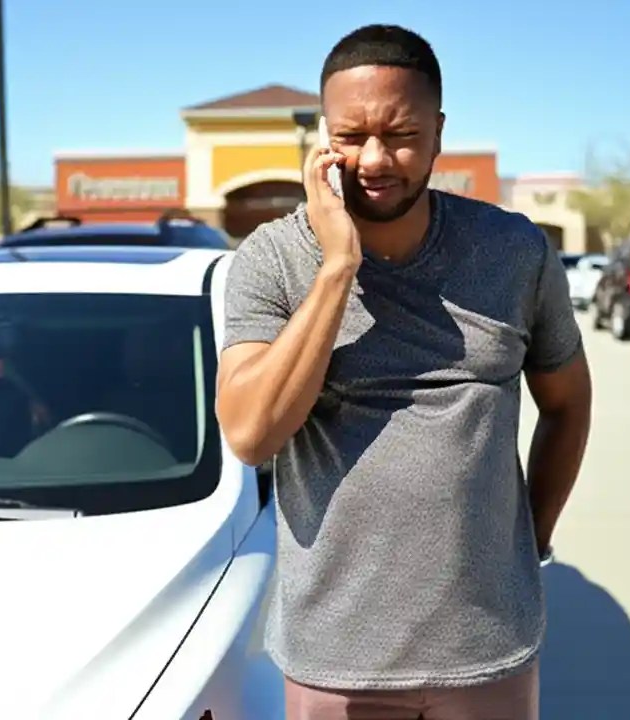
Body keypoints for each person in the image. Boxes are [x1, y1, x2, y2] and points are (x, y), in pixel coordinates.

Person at [215, 24, 593, 720]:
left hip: (487, 649)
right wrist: (338, 266)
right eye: (351, 136)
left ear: (439, 132)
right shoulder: (272, 259)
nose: (374, 159)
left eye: (401, 135)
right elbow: (250, 433)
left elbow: (568, 403)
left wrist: (526, 540)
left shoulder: (513, 251)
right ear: (322, 136)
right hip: (336, 661)